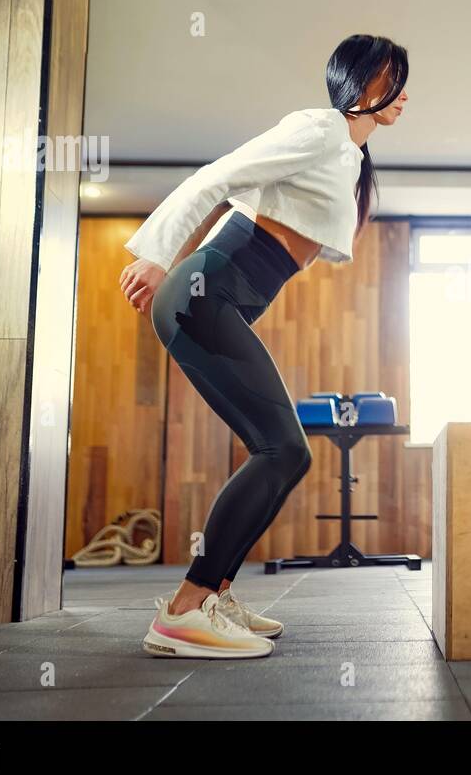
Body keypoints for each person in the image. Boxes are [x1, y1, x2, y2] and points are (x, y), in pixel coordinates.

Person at [118, 35, 409, 658]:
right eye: (392, 78)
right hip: (201, 296)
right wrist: (155, 254)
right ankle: (183, 614)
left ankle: (212, 595)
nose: (403, 94)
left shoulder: (349, 157)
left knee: (287, 455)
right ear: (358, 83)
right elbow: (218, 177)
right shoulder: (321, 129)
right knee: (282, 449)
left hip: (214, 300)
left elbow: (264, 214)